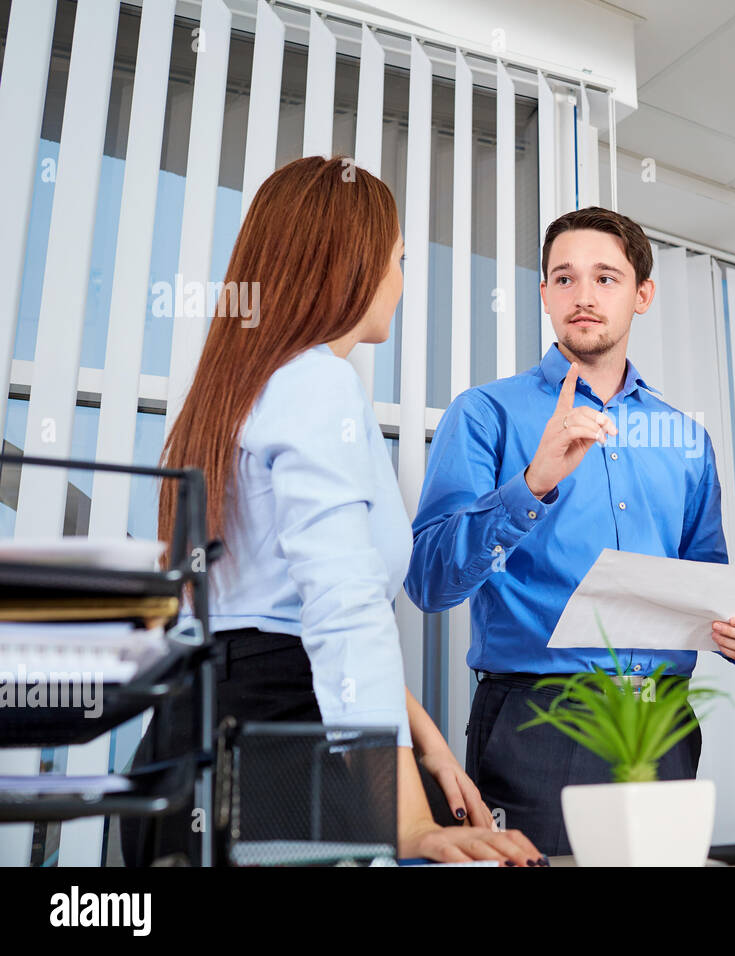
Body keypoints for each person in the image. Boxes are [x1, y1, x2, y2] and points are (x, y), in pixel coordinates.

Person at [124, 156, 542, 866]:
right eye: (399, 259)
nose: (401, 283)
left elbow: (285, 615)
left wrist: (426, 739)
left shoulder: (236, 393)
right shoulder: (320, 382)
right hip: (277, 754)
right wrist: (408, 821)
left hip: (188, 744)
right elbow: (342, 610)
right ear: (352, 265)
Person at [404, 207, 735, 857]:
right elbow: (431, 583)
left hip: (662, 719)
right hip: (539, 723)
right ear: (544, 294)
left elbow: (705, 581)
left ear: (642, 295)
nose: (583, 296)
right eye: (564, 278)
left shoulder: (686, 437)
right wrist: (533, 484)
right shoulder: (485, 414)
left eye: (606, 278)